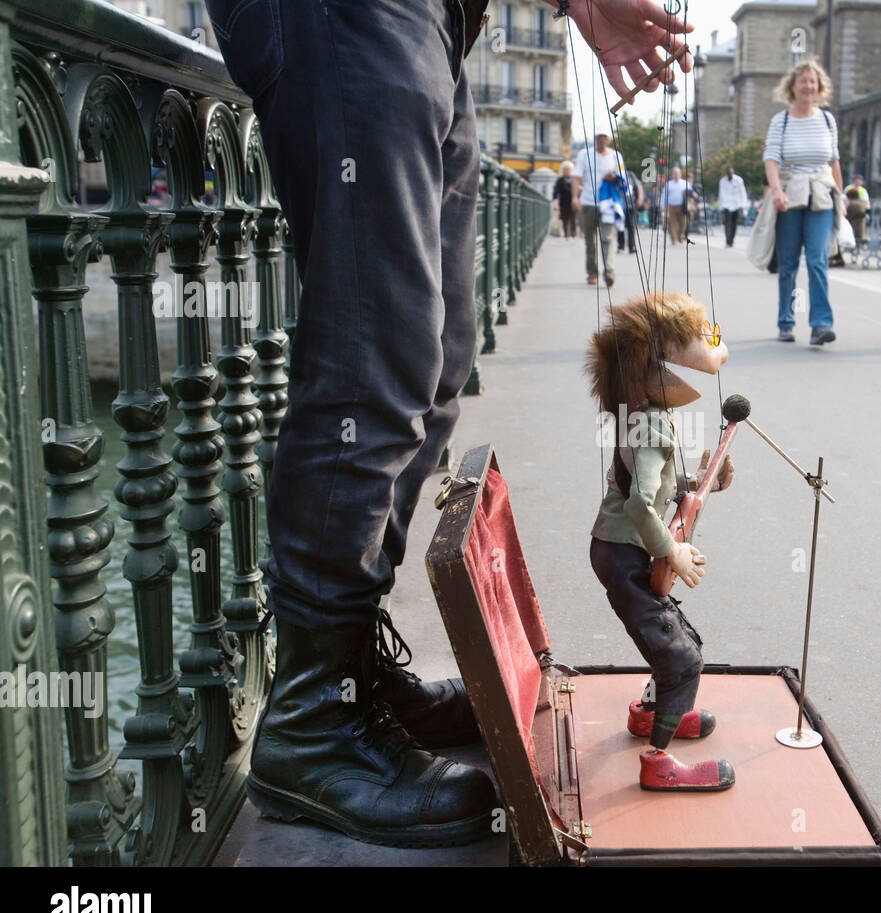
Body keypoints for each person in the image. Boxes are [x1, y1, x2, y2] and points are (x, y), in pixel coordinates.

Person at [203, 0, 695, 849]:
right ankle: (313, 720)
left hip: (436, 23)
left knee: (435, 358)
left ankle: (349, 673)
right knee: (376, 356)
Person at [587, 292, 736, 792]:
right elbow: (639, 505)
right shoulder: (651, 424)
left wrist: (707, 480)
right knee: (681, 658)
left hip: (623, 548)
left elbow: (660, 488)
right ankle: (659, 761)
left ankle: (652, 713)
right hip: (625, 552)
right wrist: (670, 551)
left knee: (671, 635)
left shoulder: (646, 413)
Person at [764, 59, 843, 346]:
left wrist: (841, 198)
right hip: (791, 195)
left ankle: (821, 324)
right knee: (787, 264)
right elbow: (771, 160)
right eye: (803, 81)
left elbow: (834, 162)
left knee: (817, 260)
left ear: (819, 87)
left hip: (822, 195)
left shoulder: (826, 120)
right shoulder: (781, 120)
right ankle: (786, 321)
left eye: (813, 81)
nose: (809, 86)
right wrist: (776, 192)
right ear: (793, 87)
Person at [573, 125, 627, 286]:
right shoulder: (584, 154)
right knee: (590, 239)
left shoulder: (616, 156)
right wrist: (574, 198)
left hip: (608, 203)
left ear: (609, 139)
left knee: (607, 238)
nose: (602, 140)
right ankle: (592, 272)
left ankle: (609, 271)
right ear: (595, 138)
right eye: (599, 137)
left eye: (604, 137)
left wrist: (614, 177)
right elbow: (576, 177)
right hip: (589, 201)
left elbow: (622, 178)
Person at [719, 166, 748, 247]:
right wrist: (721, 206)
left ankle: (732, 239)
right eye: (728, 173)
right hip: (726, 205)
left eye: (731, 173)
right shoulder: (722, 181)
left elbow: (743, 192)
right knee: (727, 223)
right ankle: (728, 240)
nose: (730, 175)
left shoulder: (739, 180)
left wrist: (743, 205)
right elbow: (721, 193)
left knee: (734, 224)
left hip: (736, 205)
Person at [662, 166, 690, 244]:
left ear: (680, 174)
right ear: (672, 174)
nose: (676, 174)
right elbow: (664, 195)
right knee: (672, 223)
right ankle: (674, 240)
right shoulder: (669, 184)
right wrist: (664, 206)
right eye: (674, 173)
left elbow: (690, 194)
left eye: (677, 173)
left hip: (682, 206)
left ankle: (678, 236)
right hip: (671, 206)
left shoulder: (685, 183)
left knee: (683, 223)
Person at [844, 174, 871, 248]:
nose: (859, 182)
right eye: (858, 180)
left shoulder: (863, 190)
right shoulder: (848, 188)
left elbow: (866, 201)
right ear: (854, 181)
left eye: (860, 181)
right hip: (850, 208)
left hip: (855, 209)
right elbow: (845, 199)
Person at [554, 160, 577, 238]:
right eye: (565, 169)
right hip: (563, 203)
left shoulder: (575, 179)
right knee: (564, 219)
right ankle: (566, 234)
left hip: (573, 202)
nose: (567, 171)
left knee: (573, 219)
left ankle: (573, 234)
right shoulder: (560, 180)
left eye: (569, 169)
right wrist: (556, 203)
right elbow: (556, 192)